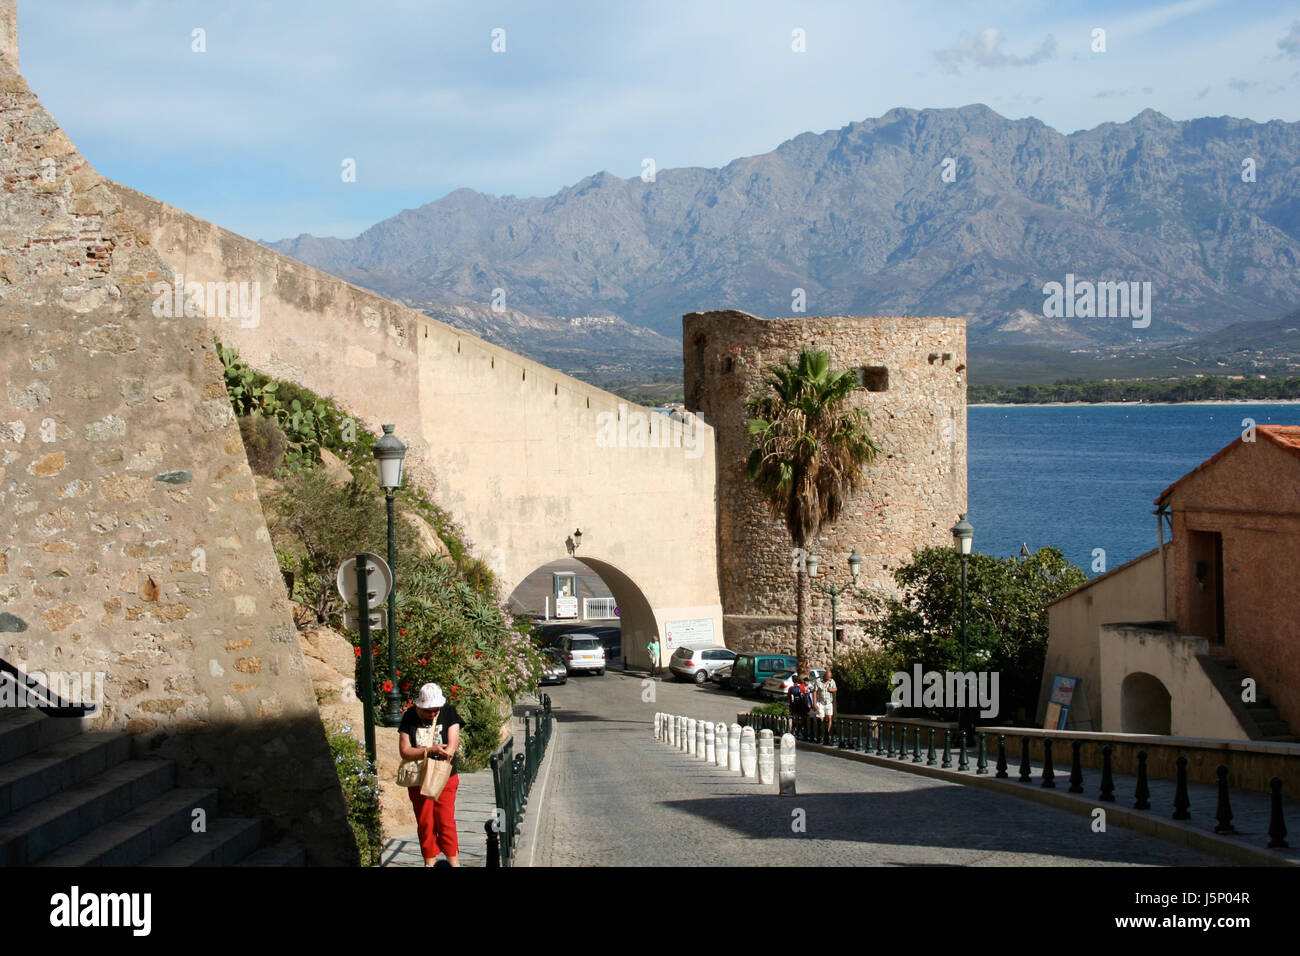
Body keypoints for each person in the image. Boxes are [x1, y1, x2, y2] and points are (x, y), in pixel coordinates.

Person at [398, 683, 465, 867]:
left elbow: (453, 743)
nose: (433, 714)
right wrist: (429, 751)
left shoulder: (448, 712)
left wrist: (446, 753)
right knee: (425, 822)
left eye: (436, 710)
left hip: (445, 775)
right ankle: (429, 862)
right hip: (420, 778)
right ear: (419, 706)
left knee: (445, 821)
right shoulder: (410, 717)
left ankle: (454, 863)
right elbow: (405, 750)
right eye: (429, 710)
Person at [812, 668, 838, 737]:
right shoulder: (818, 681)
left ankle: (827, 733)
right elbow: (814, 691)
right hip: (820, 702)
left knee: (829, 718)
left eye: (829, 677)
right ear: (825, 675)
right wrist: (814, 703)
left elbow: (836, 688)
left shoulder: (832, 681)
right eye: (827, 677)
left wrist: (831, 689)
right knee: (821, 719)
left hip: (829, 702)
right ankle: (820, 733)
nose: (828, 679)